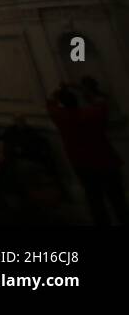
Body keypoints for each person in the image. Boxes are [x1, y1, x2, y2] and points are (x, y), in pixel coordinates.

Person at [47, 82, 127, 225]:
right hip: (106, 162)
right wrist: (83, 88)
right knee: (117, 199)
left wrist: (60, 90)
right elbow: (101, 102)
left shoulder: (61, 117)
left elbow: (51, 102)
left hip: (82, 165)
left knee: (94, 200)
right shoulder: (91, 115)